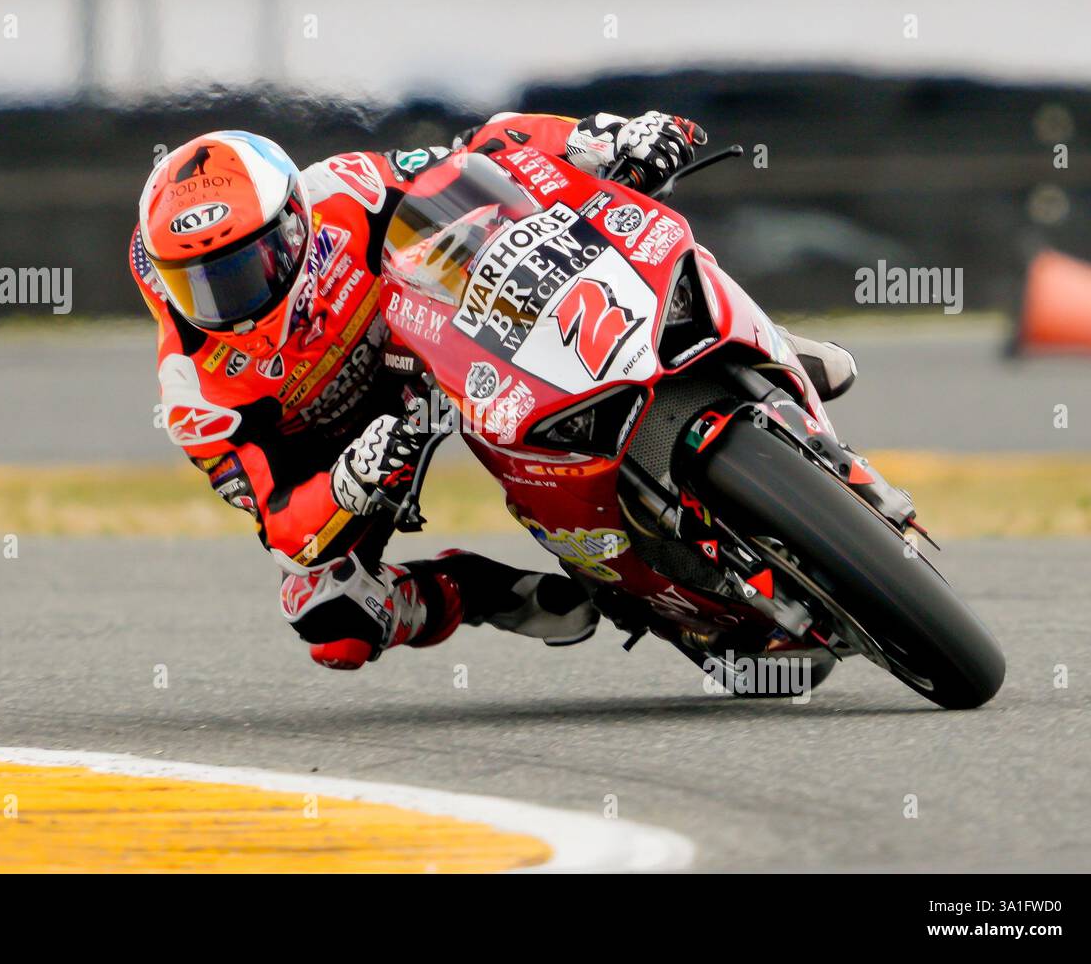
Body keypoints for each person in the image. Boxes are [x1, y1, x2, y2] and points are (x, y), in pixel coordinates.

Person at [128, 111, 855, 670]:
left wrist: (597, 142)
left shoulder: (344, 192)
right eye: (206, 284)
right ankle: (481, 592)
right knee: (329, 620)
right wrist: (349, 483)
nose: (236, 298)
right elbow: (283, 526)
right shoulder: (193, 390)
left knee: (619, 221)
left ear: (294, 221)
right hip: (353, 449)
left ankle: (762, 345)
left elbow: (481, 152)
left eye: (249, 265)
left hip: (435, 334)